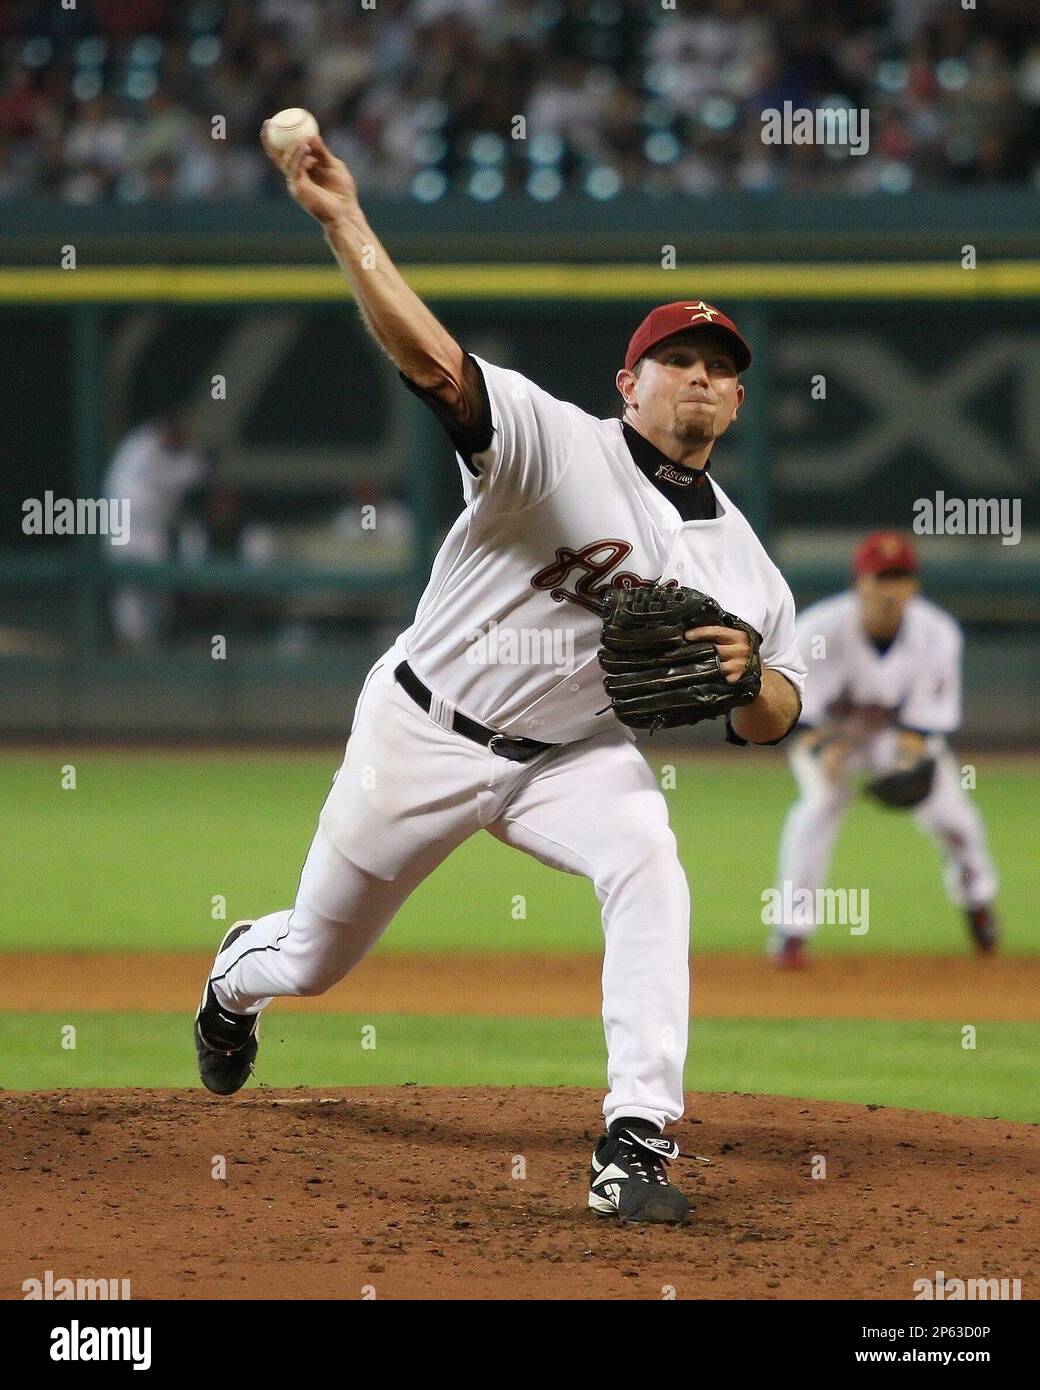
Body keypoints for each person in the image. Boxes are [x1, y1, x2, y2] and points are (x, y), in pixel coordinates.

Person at [193, 124, 805, 1226]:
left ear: (738, 404)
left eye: (720, 369)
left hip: (568, 757)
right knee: (317, 958)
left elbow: (773, 717)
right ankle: (236, 973)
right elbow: (431, 360)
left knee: (649, 861)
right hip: (420, 730)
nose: (701, 380)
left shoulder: (745, 567)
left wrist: (750, 677)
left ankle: (634, 1140)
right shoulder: (552, 442)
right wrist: (345, 223)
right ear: (631, 382)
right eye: (678, 361)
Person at [769, 531, 999, 969]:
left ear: (913, 585)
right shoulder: (819, 630)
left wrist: (908, 763)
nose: (889, 589)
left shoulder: (938, 633)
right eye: (879, 578)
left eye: (899, 578)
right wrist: (823, 753)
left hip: (897, 735)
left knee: (955, 819)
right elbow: (795, 713)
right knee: (819, 805)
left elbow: (921, 727)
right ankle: (791, 932)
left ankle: (978, 902)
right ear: (860, 584)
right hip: (832, 734)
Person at [101, 416, 208, 645]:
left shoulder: (146, 444)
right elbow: (177, 475)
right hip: (124, 527)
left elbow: (178, 471)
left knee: (156, 589)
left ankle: (149, 641)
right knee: (128, 590)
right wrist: (202, 464)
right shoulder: (144, 446)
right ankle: (132, 643)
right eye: (179, 435)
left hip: (146, 531)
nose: (183, 440)